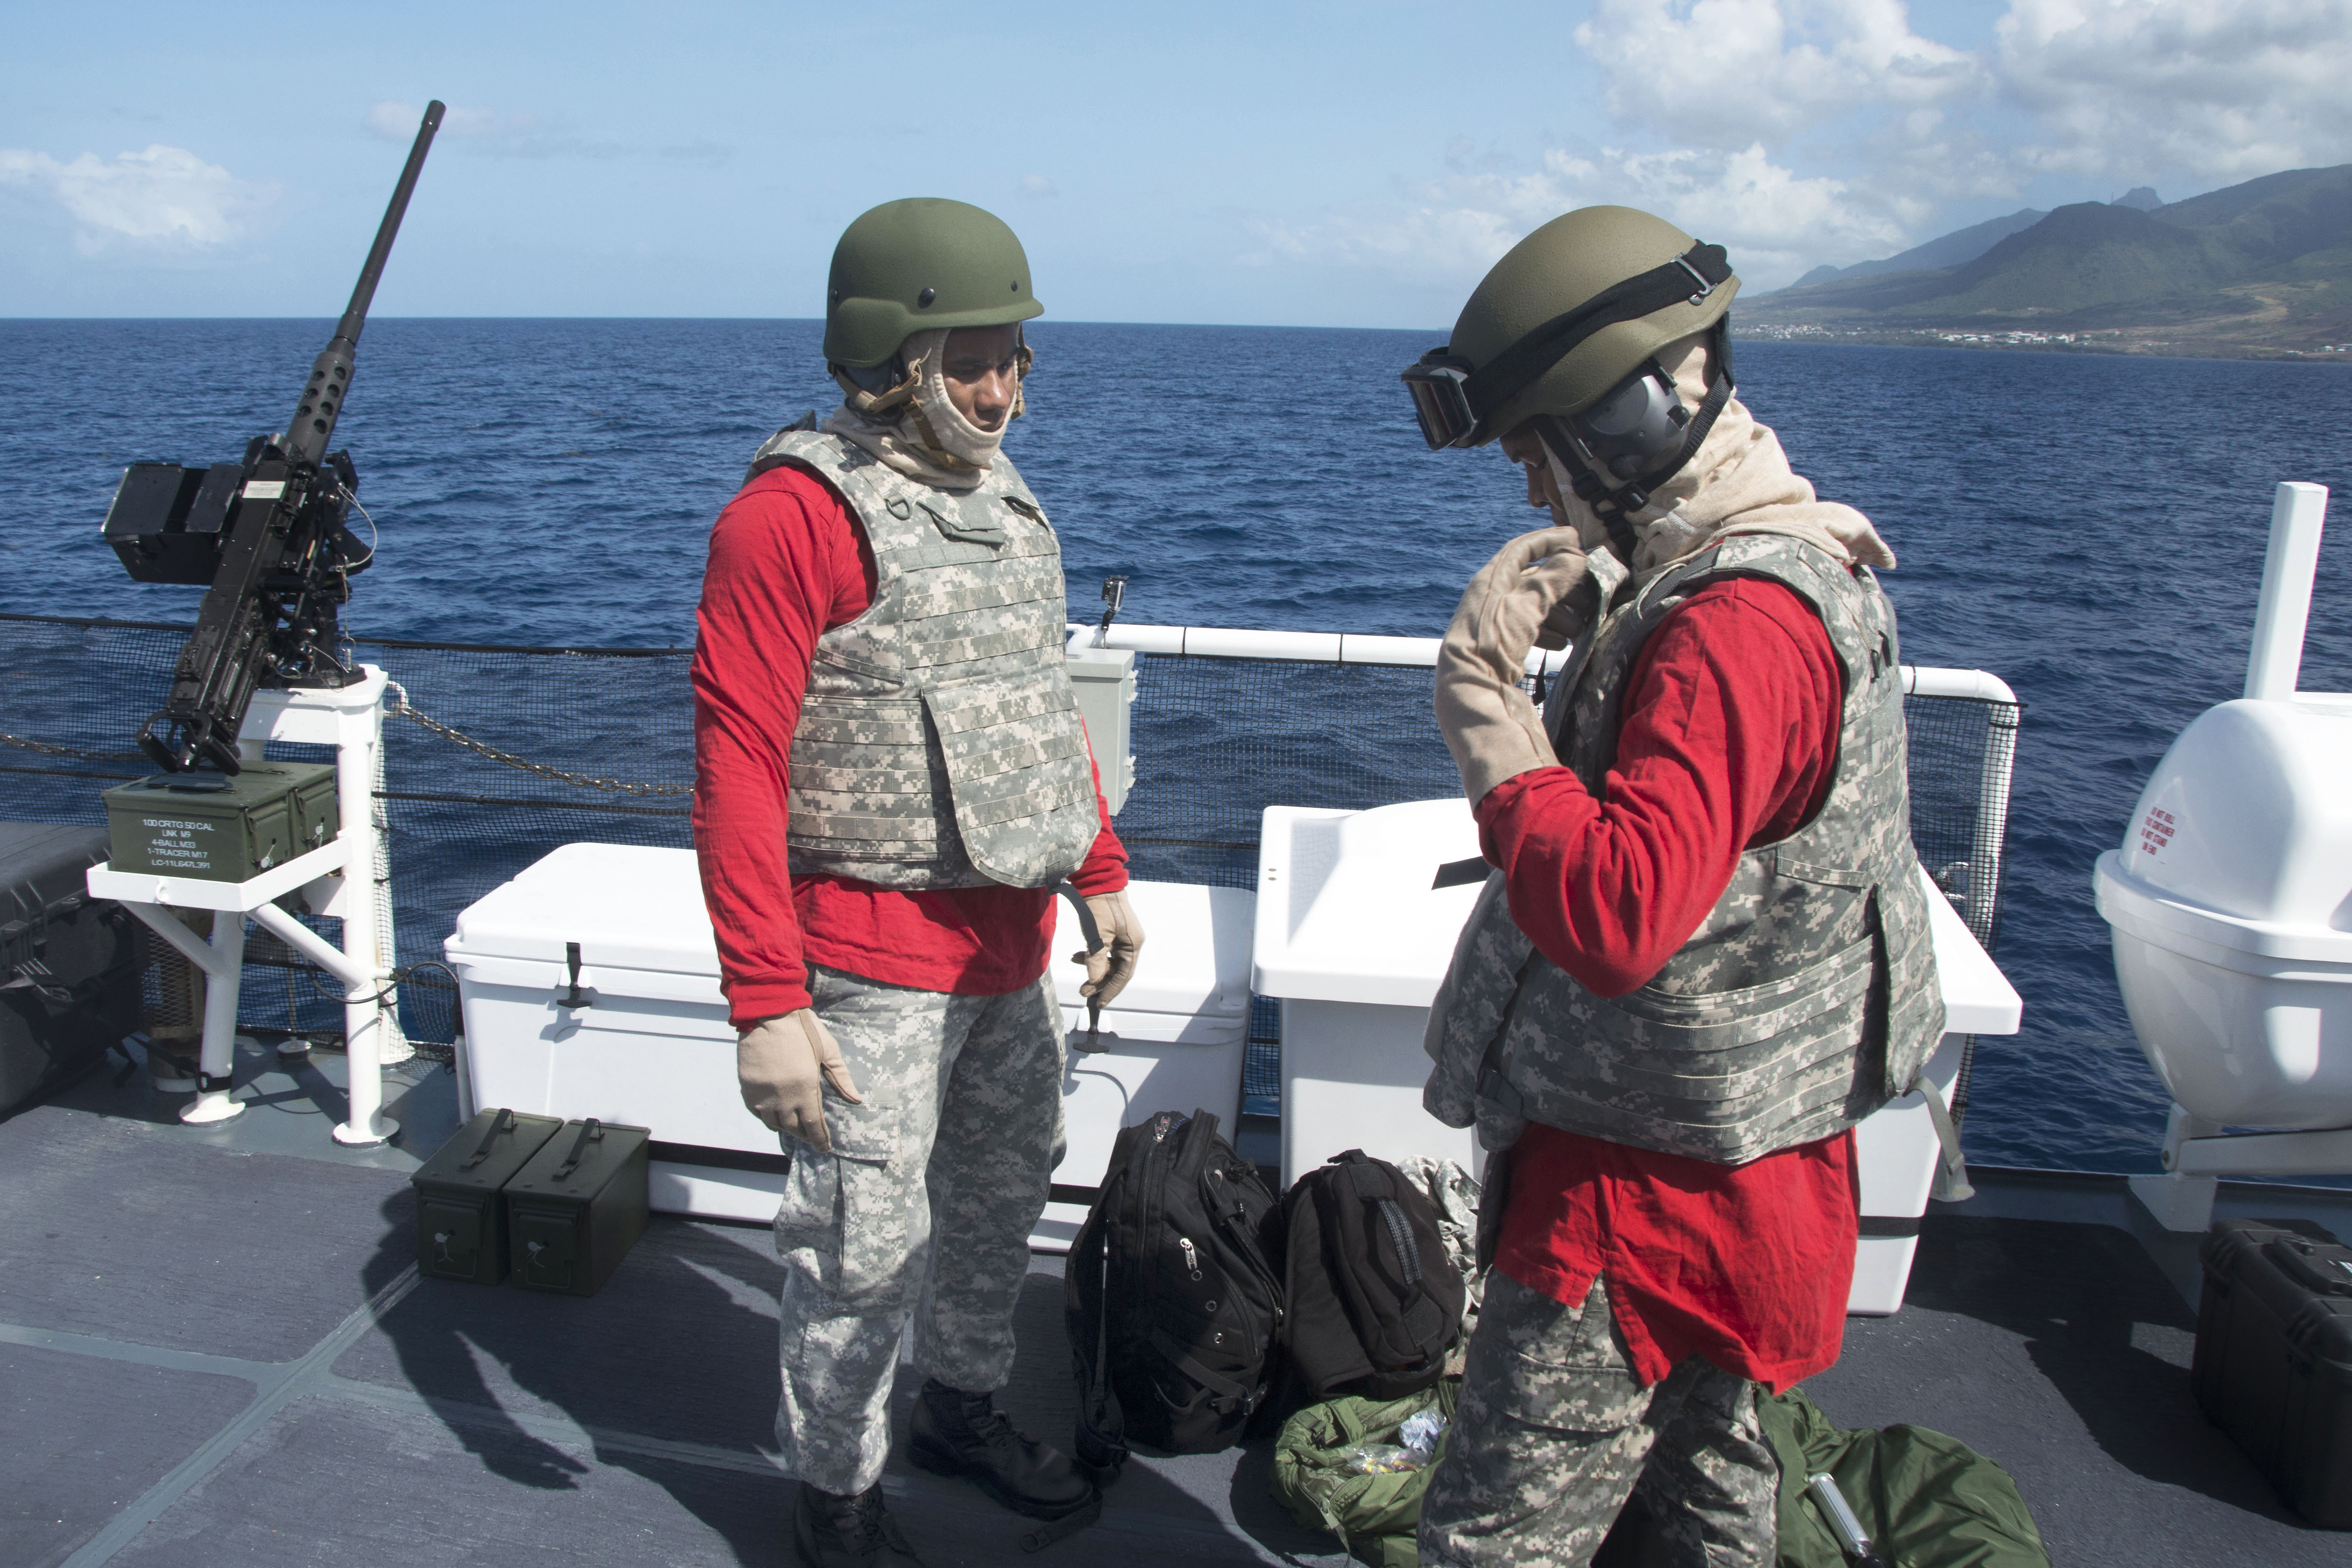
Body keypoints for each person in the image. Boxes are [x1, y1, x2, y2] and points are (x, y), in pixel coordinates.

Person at [1403, 206, 1957, 1566]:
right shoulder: (1789, 567)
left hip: (1635, 1205)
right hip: (1747, 1159)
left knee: (1495, 1532)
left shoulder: (1732, 631)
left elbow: (1616, 916)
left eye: (1537, 453)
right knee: (1709, 1490)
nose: (1534, 495)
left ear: (1631, 417)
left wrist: (1483, 703)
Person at [691, 197, 1144, 1568]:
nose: (1002, 393)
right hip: (866, 963)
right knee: (859, 1251)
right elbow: (737, 764)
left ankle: (959, 1408)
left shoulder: (1000, 499)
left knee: (1002, 1204)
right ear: (890, 360)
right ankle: (835, 1502)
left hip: (1010, 951)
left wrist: (1101, 873)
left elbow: (1034, 702)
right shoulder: (788, 520)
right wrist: (766, 1002)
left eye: (1014, 360)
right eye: (972, 363)